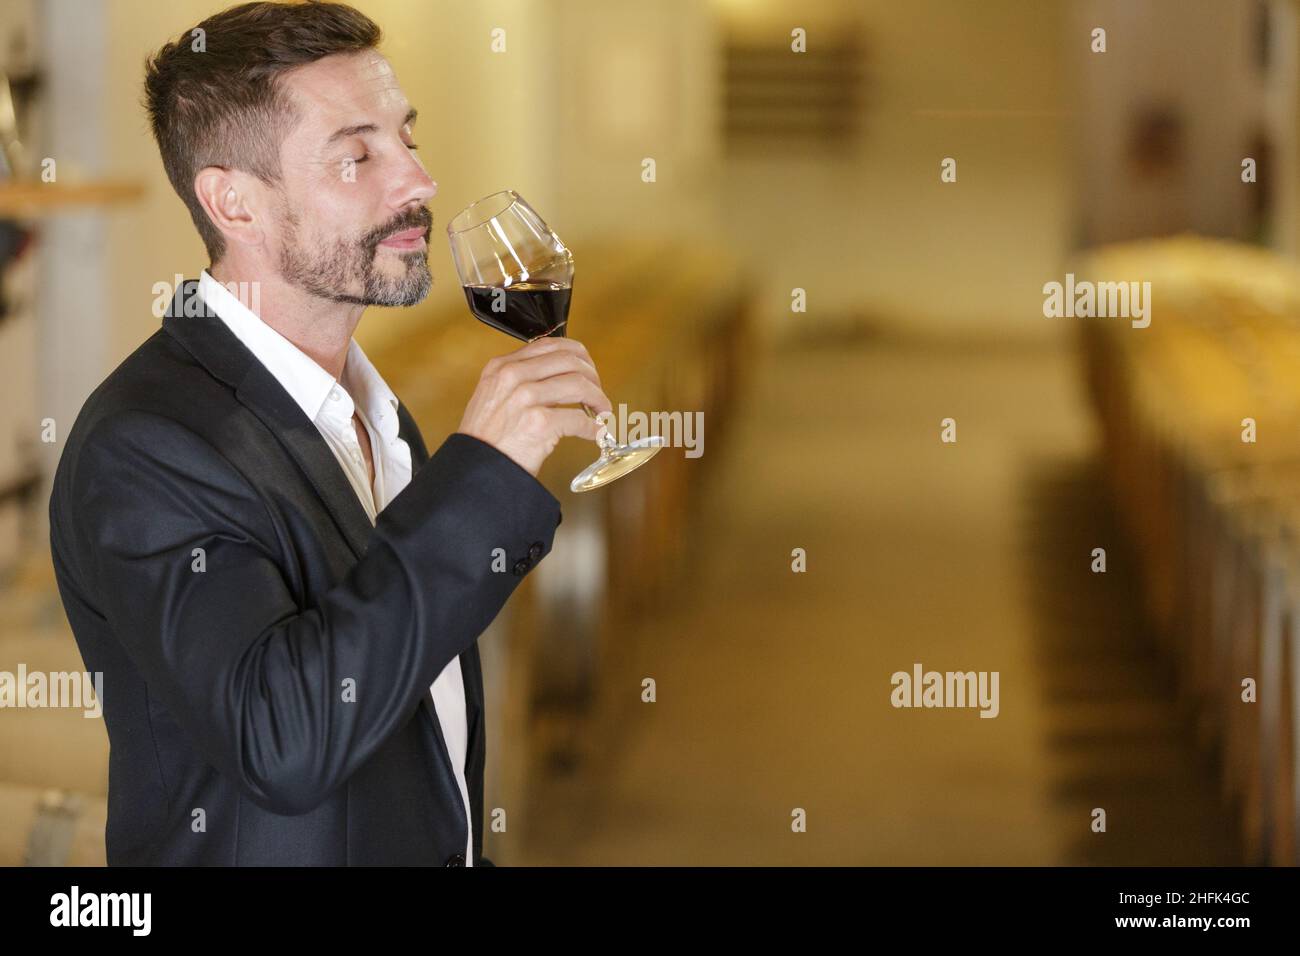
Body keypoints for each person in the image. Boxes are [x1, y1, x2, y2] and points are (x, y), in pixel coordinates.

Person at [47, 0, 610, 866]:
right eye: (357, 155)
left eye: (406, 140)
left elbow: (409, 702)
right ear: (232, 202)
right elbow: (285, 740)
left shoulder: (374, 414)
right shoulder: (145, 443)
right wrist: (484, 477)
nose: (418, 181)